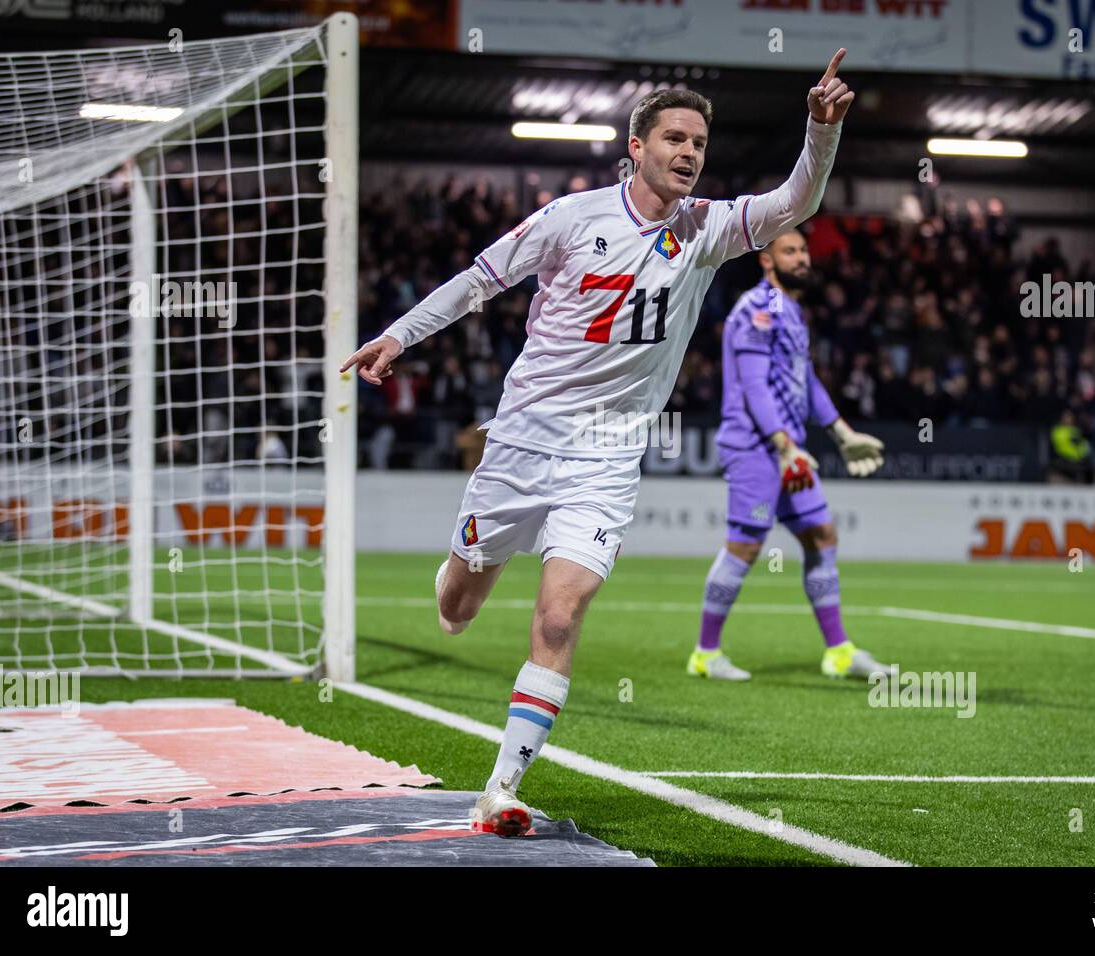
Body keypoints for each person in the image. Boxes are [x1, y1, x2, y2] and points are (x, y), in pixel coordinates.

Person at [340, 50, 856, 837]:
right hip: (521, 442)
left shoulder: (710, 229)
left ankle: (501, 788)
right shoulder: (570, 218)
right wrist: (397, 337)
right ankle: (458, 564)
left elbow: (793, 202)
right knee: (457, 608)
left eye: (699, 144)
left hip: (608, 454)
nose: (689, 153)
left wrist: (821, 129)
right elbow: (479, 280)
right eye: (675, 139)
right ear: (637, 148)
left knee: (560, 616)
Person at [688, 228, 890, 682]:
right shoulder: (756, 310)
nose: (802, 259)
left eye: (803, 251)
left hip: (789, 450)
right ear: (766, 260)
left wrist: (842, 432)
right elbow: (755, 385)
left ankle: (838, 650)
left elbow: (807, 382)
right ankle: (705, 652)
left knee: (821, 536)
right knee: (745, 545)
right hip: (756, 448)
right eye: (790, 251)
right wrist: (784, 446)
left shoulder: (792, 313)